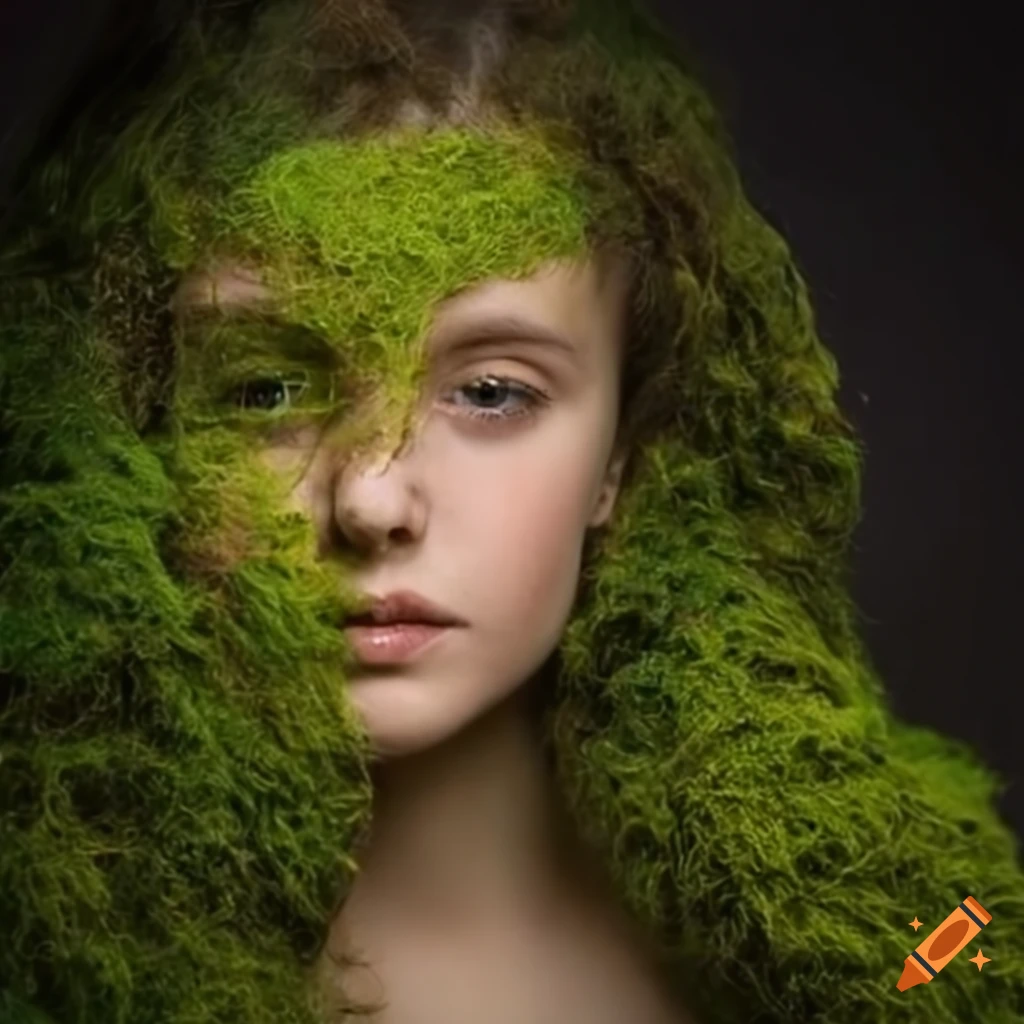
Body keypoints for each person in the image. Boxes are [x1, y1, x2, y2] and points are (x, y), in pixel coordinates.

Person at [1, 1, 1022, 1023]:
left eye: (491, 392)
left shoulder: (919, 930)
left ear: (620, 453)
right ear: (134, 416)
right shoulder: (50, 963)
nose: (371, 500)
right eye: (266, 390)